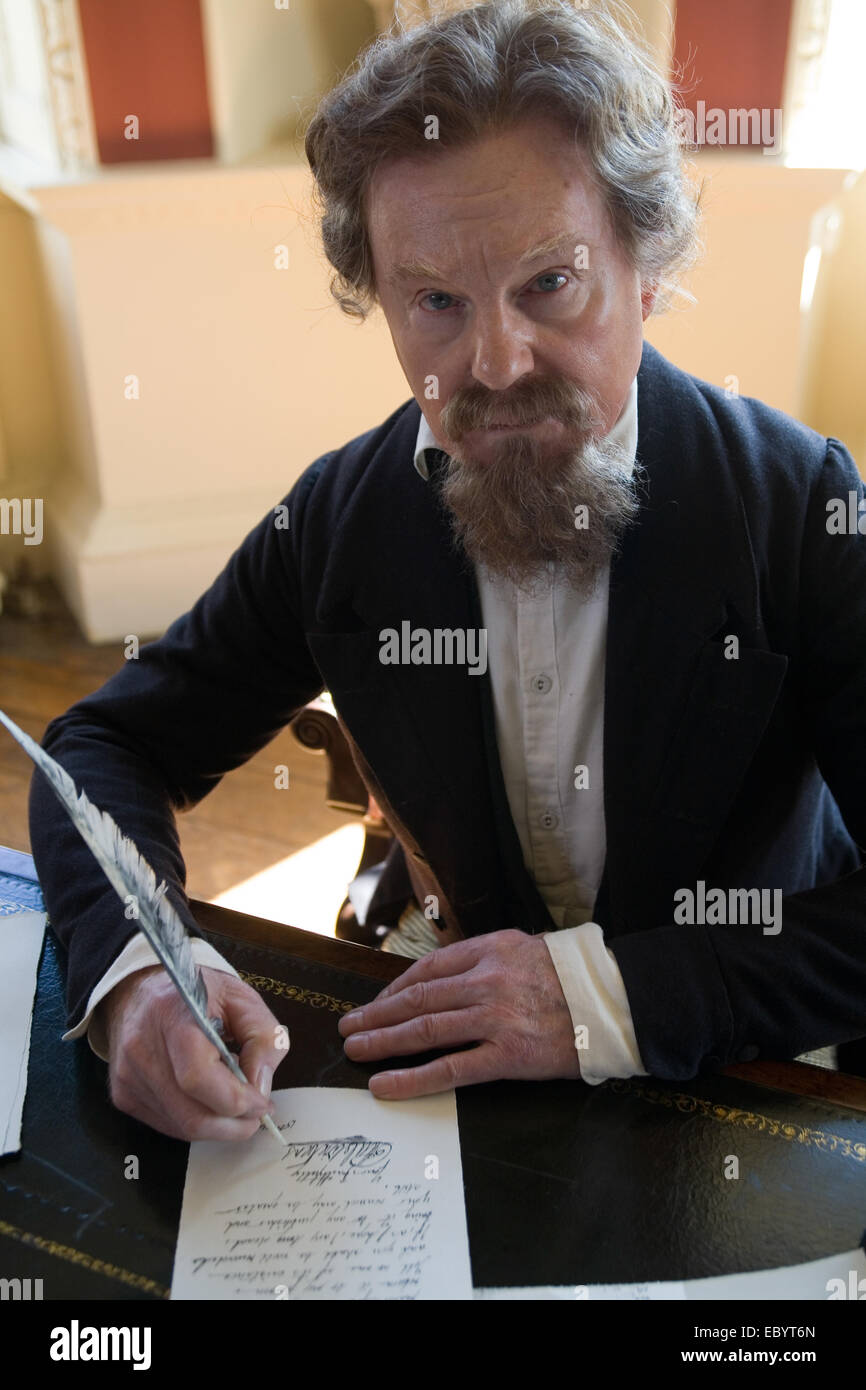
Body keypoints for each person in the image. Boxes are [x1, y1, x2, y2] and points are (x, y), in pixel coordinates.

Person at [29, 0, 866, 1143]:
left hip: (745, 1076)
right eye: (433, 302)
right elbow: (105, 744)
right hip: (464, 1104)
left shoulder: (801, 504)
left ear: (646, 265)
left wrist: (597, 997)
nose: (494, 363)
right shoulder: (339, 517)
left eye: (548, 284)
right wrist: (137, 973)